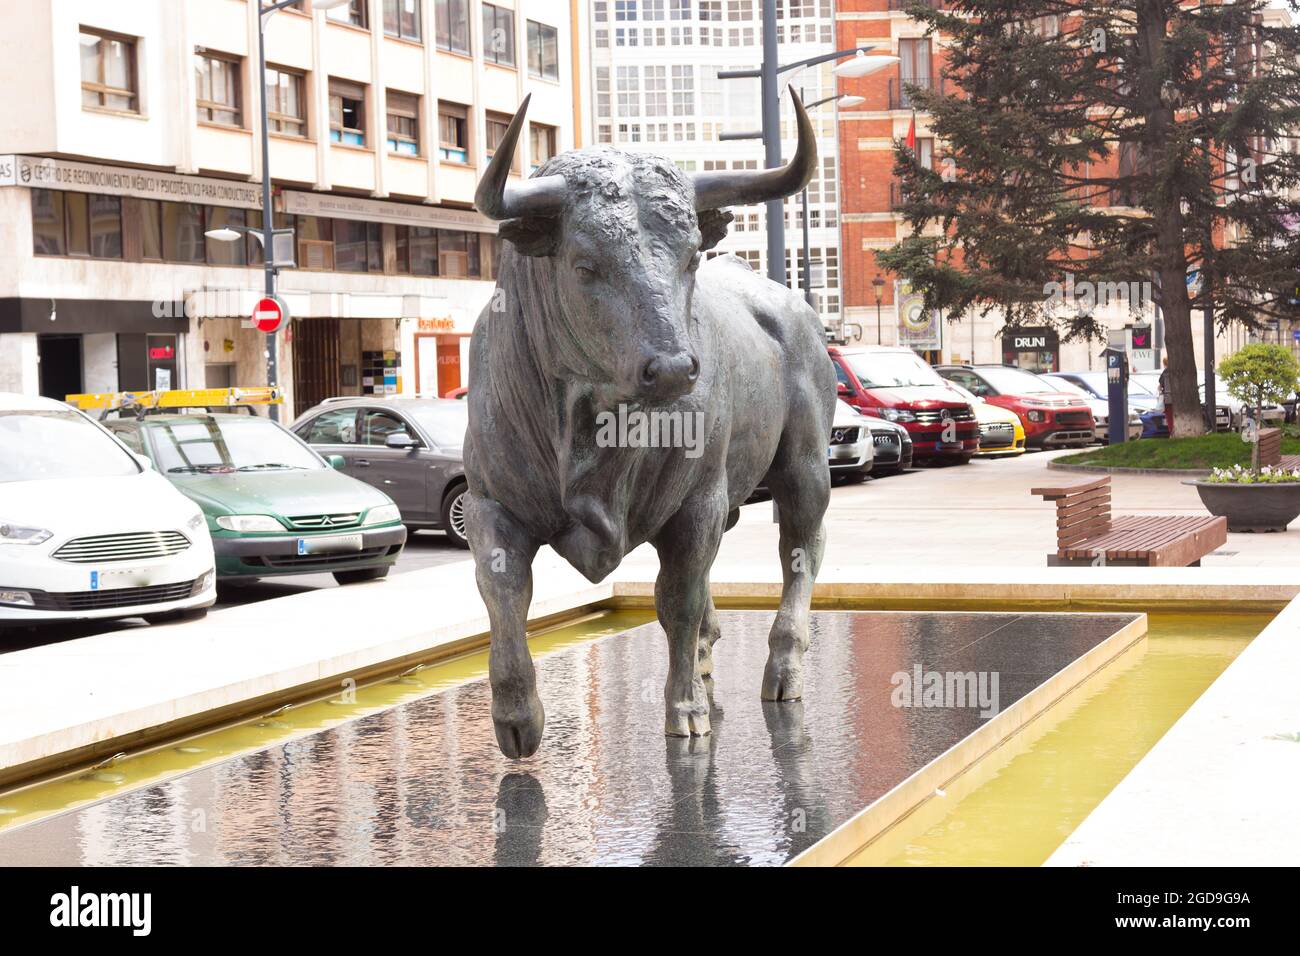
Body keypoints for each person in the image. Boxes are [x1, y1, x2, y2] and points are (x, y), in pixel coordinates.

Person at [1158, 357, 1173, 438]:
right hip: (1179, 400)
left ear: (1164, 364)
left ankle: (1172, 433)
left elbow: (1161, 386)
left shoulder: (1165, 372)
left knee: (1170, 418)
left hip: (1168, 399)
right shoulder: (1177, 371)